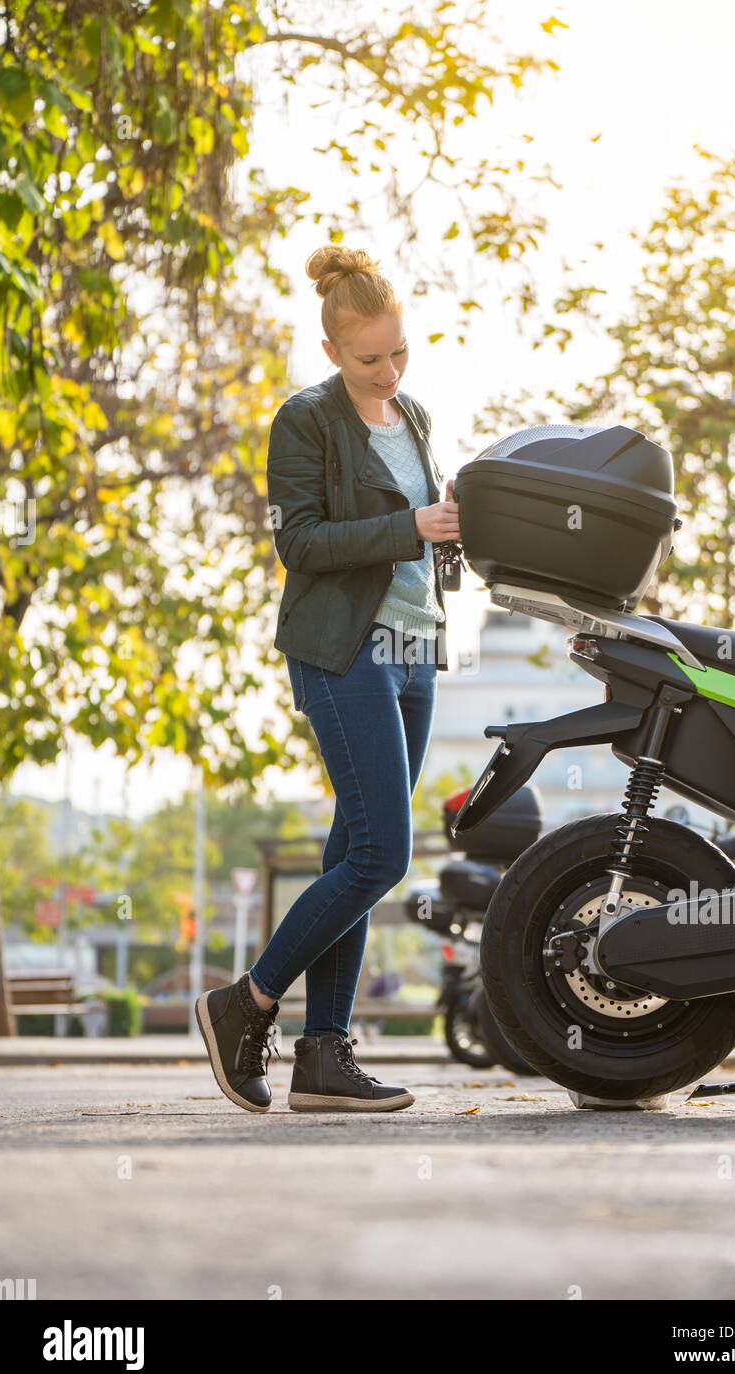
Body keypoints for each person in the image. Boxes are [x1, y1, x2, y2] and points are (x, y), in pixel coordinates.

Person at [195, 244, 461, 1114]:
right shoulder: (304, 421)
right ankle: (246, 1001)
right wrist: (410, 526)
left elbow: (419, 533)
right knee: (386, 851)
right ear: (333, 353)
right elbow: (299, 543)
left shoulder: (413, 415)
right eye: (369, 358)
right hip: (342, 649)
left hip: (414, 651)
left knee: (355, 850)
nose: (388, 371)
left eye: (399, 352)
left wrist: (452, 528)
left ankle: (323, 1055)